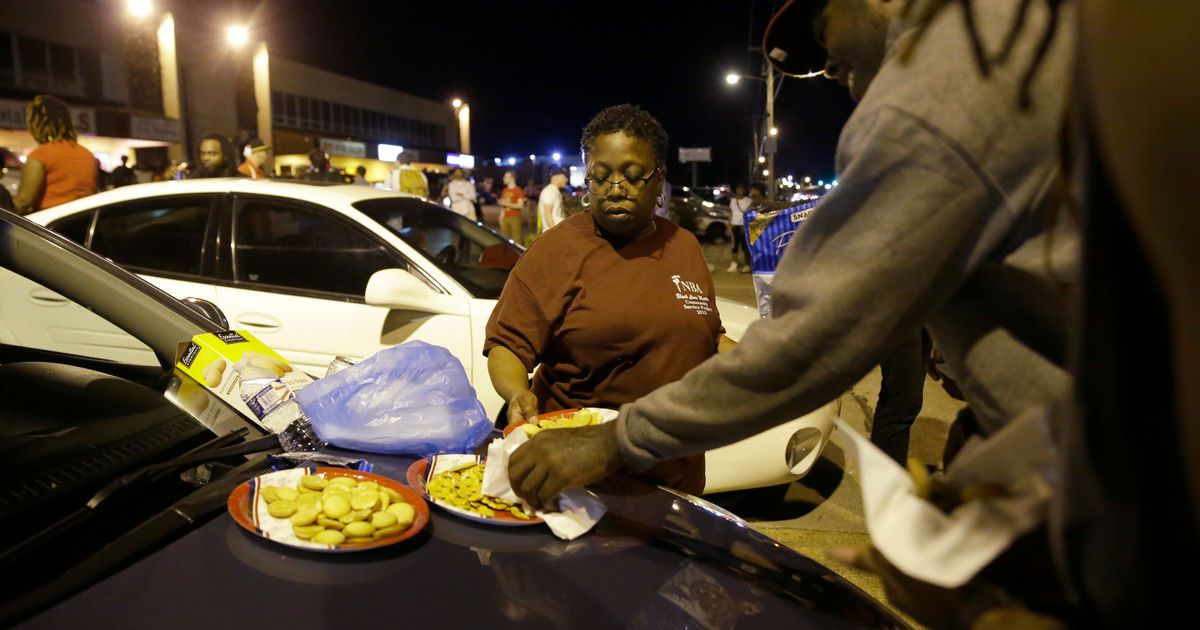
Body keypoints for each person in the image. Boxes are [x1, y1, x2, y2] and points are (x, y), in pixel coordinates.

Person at [508, 0, 1075, 576]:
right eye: (601, 174)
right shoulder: (1034, 35)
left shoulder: (932, 92)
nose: (827, 68)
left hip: (1077, 467)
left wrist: (609, 444)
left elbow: (807, 345)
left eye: (823, 30)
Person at [487, 104, 735, 496]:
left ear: (660, 181)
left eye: (633, 177)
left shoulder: (683, 245)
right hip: (582, 472)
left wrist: (758, 354)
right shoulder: (557, 250)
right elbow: (508, 344)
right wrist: (518, 391)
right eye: (601, 178)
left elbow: (707, 334)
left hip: (675, 467)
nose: (615, 189)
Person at [13, 95, 96, 214]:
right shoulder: (87, 154)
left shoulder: (41, 155)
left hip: (50, 223)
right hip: (83, 221)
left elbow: (23, 202)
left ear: (37, 123)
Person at [727, 184, 752, 273]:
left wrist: (747, 225)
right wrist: (729, 225)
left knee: (745, 246)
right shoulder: (733, 201)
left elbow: (750, 214)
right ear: (736, 190)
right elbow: (730, 213)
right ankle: (734, 263)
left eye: (742, 189)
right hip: (734, 225)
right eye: (738, 188)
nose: (740, 190)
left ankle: (747, 265)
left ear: (745, 190)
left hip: (744, 226)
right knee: (734, 246)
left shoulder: (748, 200)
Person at [537, 166, 569, 233]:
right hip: (552, 233)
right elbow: (547, 213)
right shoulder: (549, 192)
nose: (566, 179)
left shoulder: (554, 191)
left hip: (557, 231)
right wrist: (554, 233)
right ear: (556, 177)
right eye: (564, 176)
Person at [497, 170, 525, 243]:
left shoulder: (518, 190)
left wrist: (507, 204)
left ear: (512, 178)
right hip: (505, 217)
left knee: (516, 239)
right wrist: (501, 215)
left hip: (515, 217)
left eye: (506, 177)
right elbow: (503, 204)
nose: (503, 178)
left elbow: (521, 205)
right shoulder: (504, 190)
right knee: (504, 239)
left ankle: (518, 254)